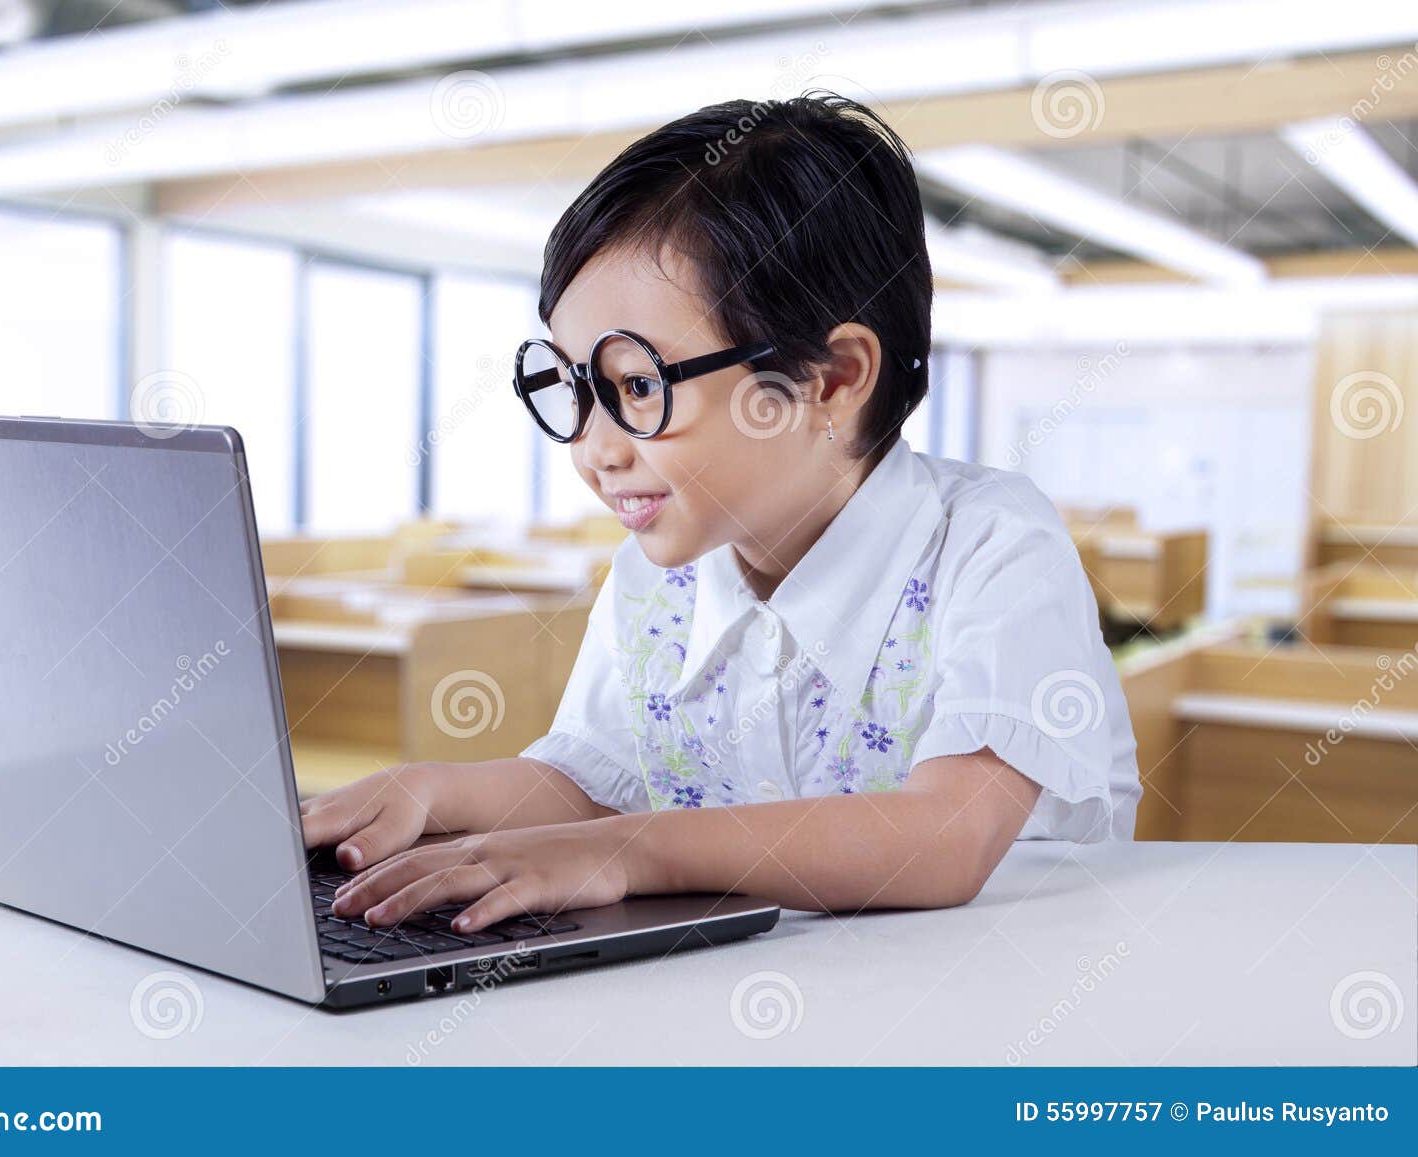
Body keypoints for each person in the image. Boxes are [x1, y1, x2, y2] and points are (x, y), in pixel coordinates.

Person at [301, 92, 1139, 934]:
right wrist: (427, 792)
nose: (593, 448)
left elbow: (946, 835)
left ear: (830, 380)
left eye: (637, 385)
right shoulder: (652, 579)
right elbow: (588, 781)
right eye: (574, 388)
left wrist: (632, 850)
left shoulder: (993, 547)